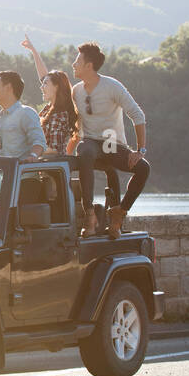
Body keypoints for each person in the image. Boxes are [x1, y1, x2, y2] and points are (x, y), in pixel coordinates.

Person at [21, 34, 121, 207]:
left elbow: (56, 149)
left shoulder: (61, 114)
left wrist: (30, 154)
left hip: (52, 169)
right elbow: (44, 76)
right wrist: (34, 51)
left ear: (57, 87)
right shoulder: (47, 109)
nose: (41, 86)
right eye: (42, 83)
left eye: (46, 84)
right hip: (42, 165)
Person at [71, 41, 150, 239]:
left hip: (111, 143)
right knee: (86, 150)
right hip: (90, 143)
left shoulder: (112, 86)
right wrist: (68, 149)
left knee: (143, 168)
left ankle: (119, 212)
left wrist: (140, 151)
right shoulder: (76, 91)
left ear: (89, 66)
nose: (73, 64)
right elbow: (77, 125)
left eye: (77, 60)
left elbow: (137, 115)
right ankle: (89, 214)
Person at [0, 70, 46, 161]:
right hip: (6, 173)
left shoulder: (26, 113)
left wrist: (33, 156)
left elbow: (39, 142)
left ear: (8, 88)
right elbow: (9, 150)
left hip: (24, 174)